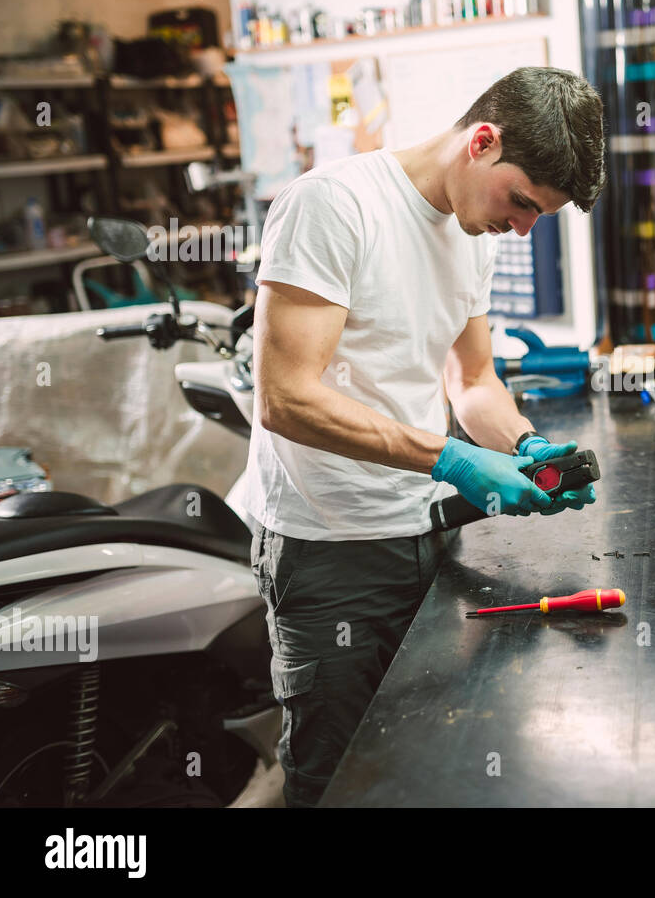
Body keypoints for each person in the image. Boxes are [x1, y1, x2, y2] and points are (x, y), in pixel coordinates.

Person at [243, 66, 606, 807]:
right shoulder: (333, 206)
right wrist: (446, 456)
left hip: (427, 536)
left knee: (434, 759)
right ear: (482, 140)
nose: (524, 228)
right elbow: (284, 398)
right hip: (329, 553)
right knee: (337, 778)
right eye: (523, 204)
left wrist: (526, 446)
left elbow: (472, 381)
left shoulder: (473, 234)